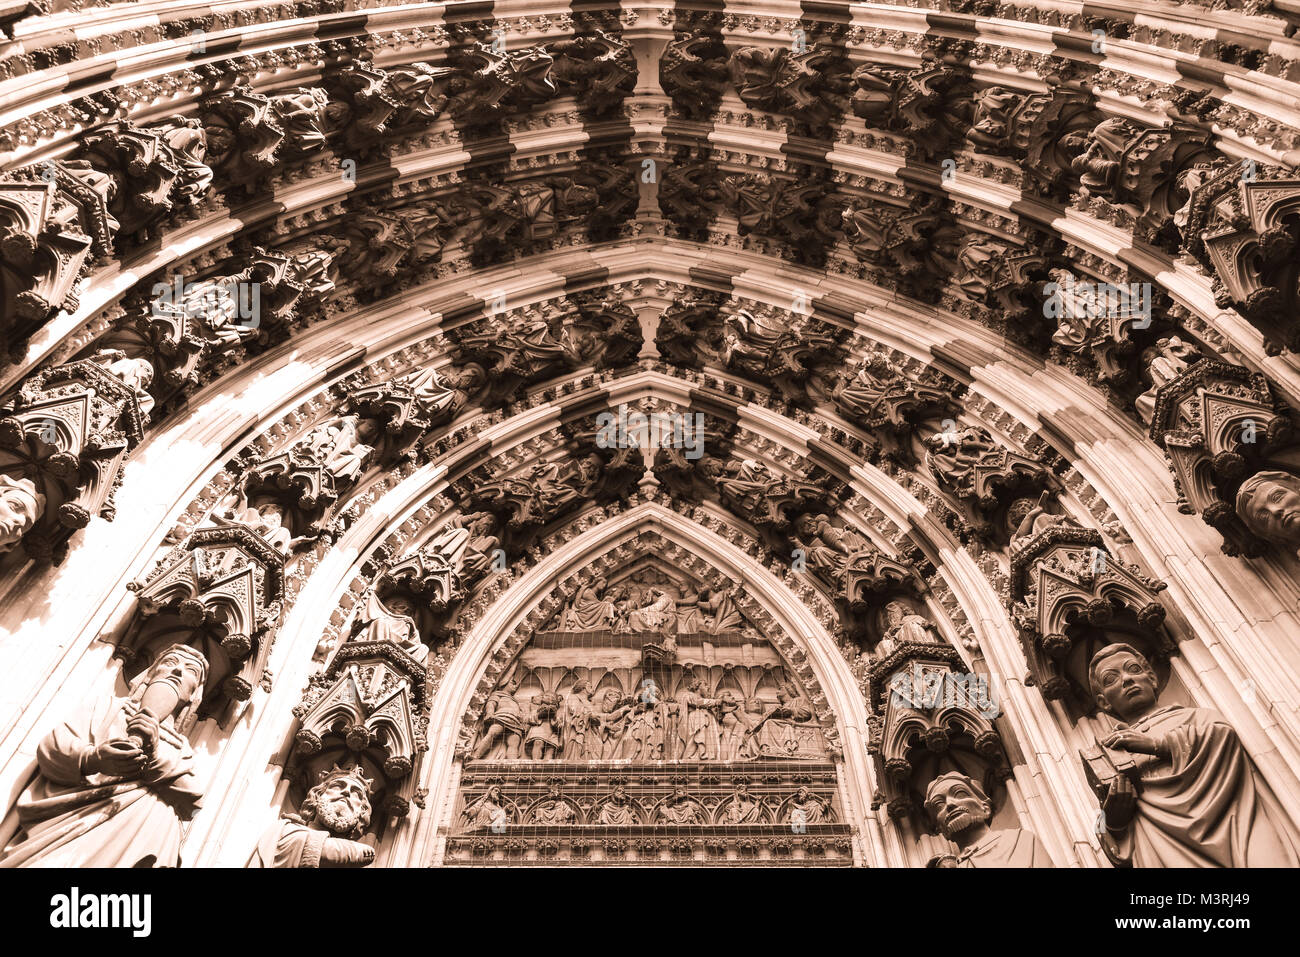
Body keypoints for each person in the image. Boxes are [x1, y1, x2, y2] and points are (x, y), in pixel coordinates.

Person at [1089, 643, 1299, 867]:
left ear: (1151, 677)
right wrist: (1114, 823)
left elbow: (1223, 738)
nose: (1127, 679)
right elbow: (1104, 828)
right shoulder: (1111, 754)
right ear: (1104, 702)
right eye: (1111, 679)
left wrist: (1157, 744)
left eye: (1134, 669)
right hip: (1165, 843)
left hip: (1235, 822)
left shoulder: (1199, 718)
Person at [1, 644, 208, 868]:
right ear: (151, 673)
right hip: (75, 823)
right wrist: (93, 758)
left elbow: (193, 799)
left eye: (191, 670)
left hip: (140, 844)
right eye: (170, 662)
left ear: (192, 694)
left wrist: (153, 755)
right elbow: (54, 745)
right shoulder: (108, 707)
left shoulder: (182, 748)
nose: (177, 670)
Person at [250, 765, 375, 867]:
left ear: (362, 812)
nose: (346, 792)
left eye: (356, 794)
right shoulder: (286, 830)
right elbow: (326, 849)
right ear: (317, 796)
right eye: (337, 786)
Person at [924, 772, 1052, 867]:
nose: (950, 804)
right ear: (941, 830)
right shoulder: (952, 866)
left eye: (960, 794)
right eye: (939, 805)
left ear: (985, 808)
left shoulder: (1021, 841)